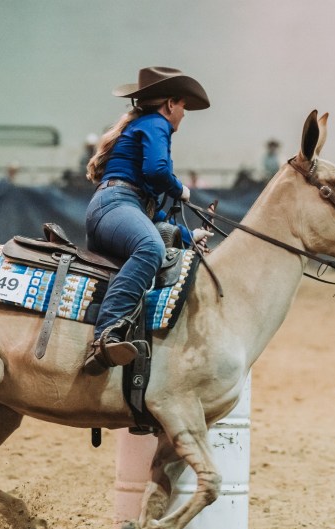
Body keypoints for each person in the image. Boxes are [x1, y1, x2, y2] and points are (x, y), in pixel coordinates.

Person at [82, 66, 212, 374]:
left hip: (117, 208)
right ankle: (106, 335)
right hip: (116, 207)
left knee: (157, 243)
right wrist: (180, 188)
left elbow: (151, 211)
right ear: (170, 105)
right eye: (183, 106)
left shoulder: (145, 123)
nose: (184, 114)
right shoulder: (157, 123)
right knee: (150, 250)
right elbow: (156, 170)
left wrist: (186, 235)